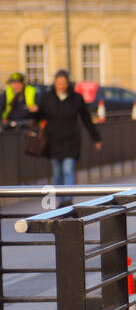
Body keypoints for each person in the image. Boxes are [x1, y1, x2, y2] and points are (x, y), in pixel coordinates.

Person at [28, 69, 101, 207]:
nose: (61, 86)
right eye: (58, 83)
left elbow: (86, 119)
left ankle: (68, 201)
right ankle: (61, 201)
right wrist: (34, 112)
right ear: (54, 83)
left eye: (64, 83)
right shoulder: (47, 97)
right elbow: (39, 116)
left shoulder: (76, 98)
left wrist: (96, 138)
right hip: (53, 140)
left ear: (68, 84)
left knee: (68, 169)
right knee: (57, 173)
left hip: (71, 139)